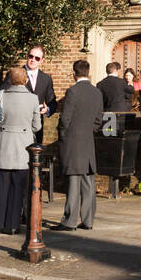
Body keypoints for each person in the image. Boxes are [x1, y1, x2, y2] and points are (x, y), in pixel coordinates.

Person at [52, 59, 103, 232]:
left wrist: (63, 136)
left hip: (73, 143)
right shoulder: (97, 93)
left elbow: (65, 119)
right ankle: (88, 221)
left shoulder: (72, 92)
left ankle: (69, 221)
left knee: (73, 183)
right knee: (88, 183)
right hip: (88, 142)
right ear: (88, 73)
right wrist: (89, 131)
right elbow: (98, 120)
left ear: (74, 74)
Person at [0, 67, 41, 235]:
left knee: (1, 184)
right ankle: (12, 225)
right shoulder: (33, 99)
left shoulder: (0, 96)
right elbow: (37, 126)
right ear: (25, 80)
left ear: (10, 80)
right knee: (18, 188)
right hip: (23, 147)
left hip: (4, 145)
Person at [3, 45, 56, 144]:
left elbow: (52, 101)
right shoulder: (14, 74)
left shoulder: (46, 79)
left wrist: (47, 109)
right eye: (30, 56)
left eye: (37, 58)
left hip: (36, 127)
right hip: (15, 125)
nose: (33, 60)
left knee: (34, 158)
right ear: (27, 57)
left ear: (41, 61)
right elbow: (1, 95)